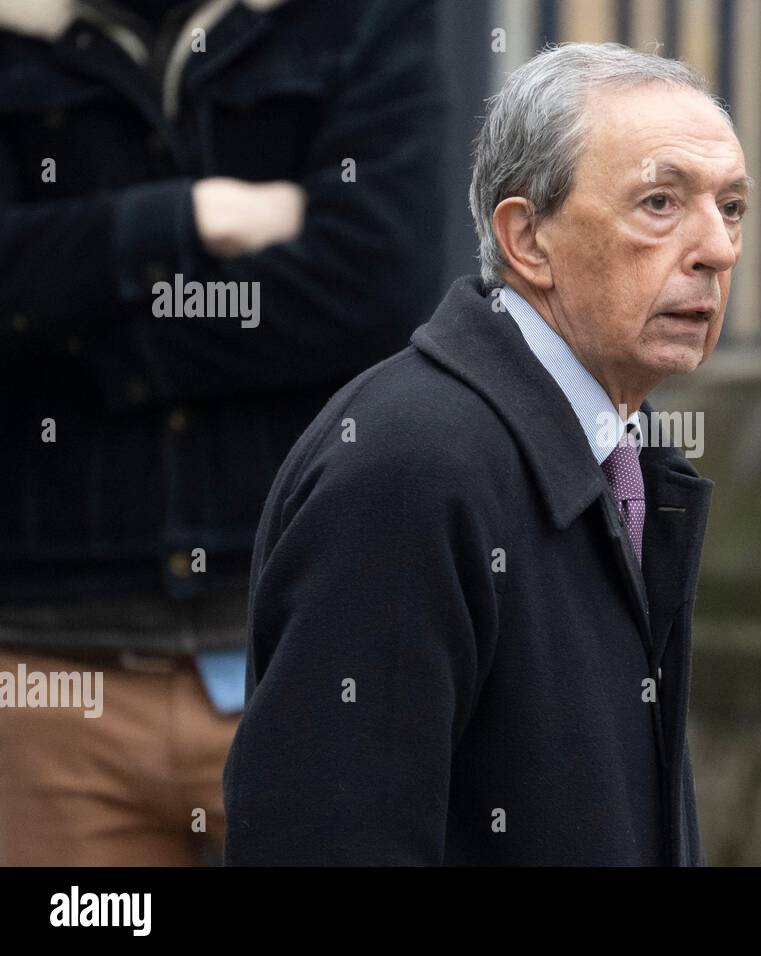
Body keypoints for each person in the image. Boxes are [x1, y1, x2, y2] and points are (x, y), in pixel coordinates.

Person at [222, 41, 749, 865]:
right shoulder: (411, 468)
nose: (716, 248)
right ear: (527, 238)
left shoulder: (607, 449)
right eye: (659, 202)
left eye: (732, 207)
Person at [0, 0, 445, 865]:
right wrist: (193, 217)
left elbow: (374, 289)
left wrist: (94, 344)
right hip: (49, 671)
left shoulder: (362, 20)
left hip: (315, 659)